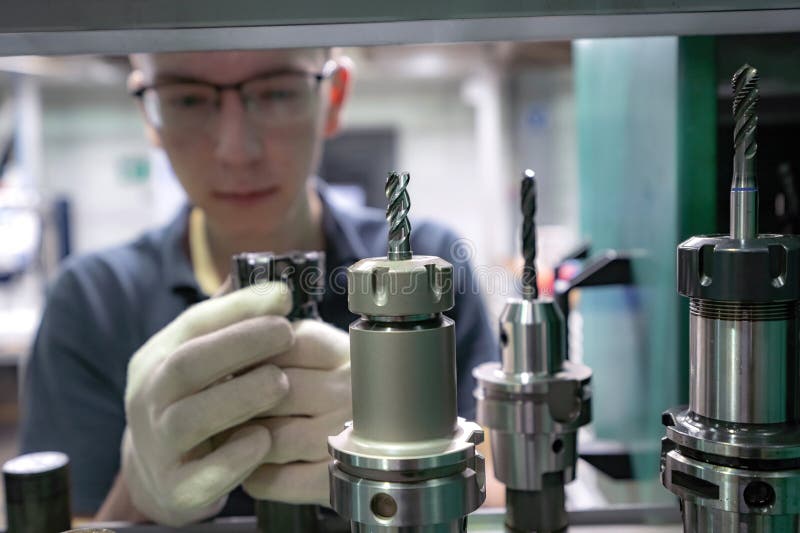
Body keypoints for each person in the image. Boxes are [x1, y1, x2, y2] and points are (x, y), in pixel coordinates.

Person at [19, 48, 498, 525]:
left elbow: (496, 493)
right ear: (150, 114)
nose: (236, 150)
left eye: (276, 92)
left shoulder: (427, 280)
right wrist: (140, 492)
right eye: (188, 100)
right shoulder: (91, 302)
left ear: (333, 97)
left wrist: (405, 454)